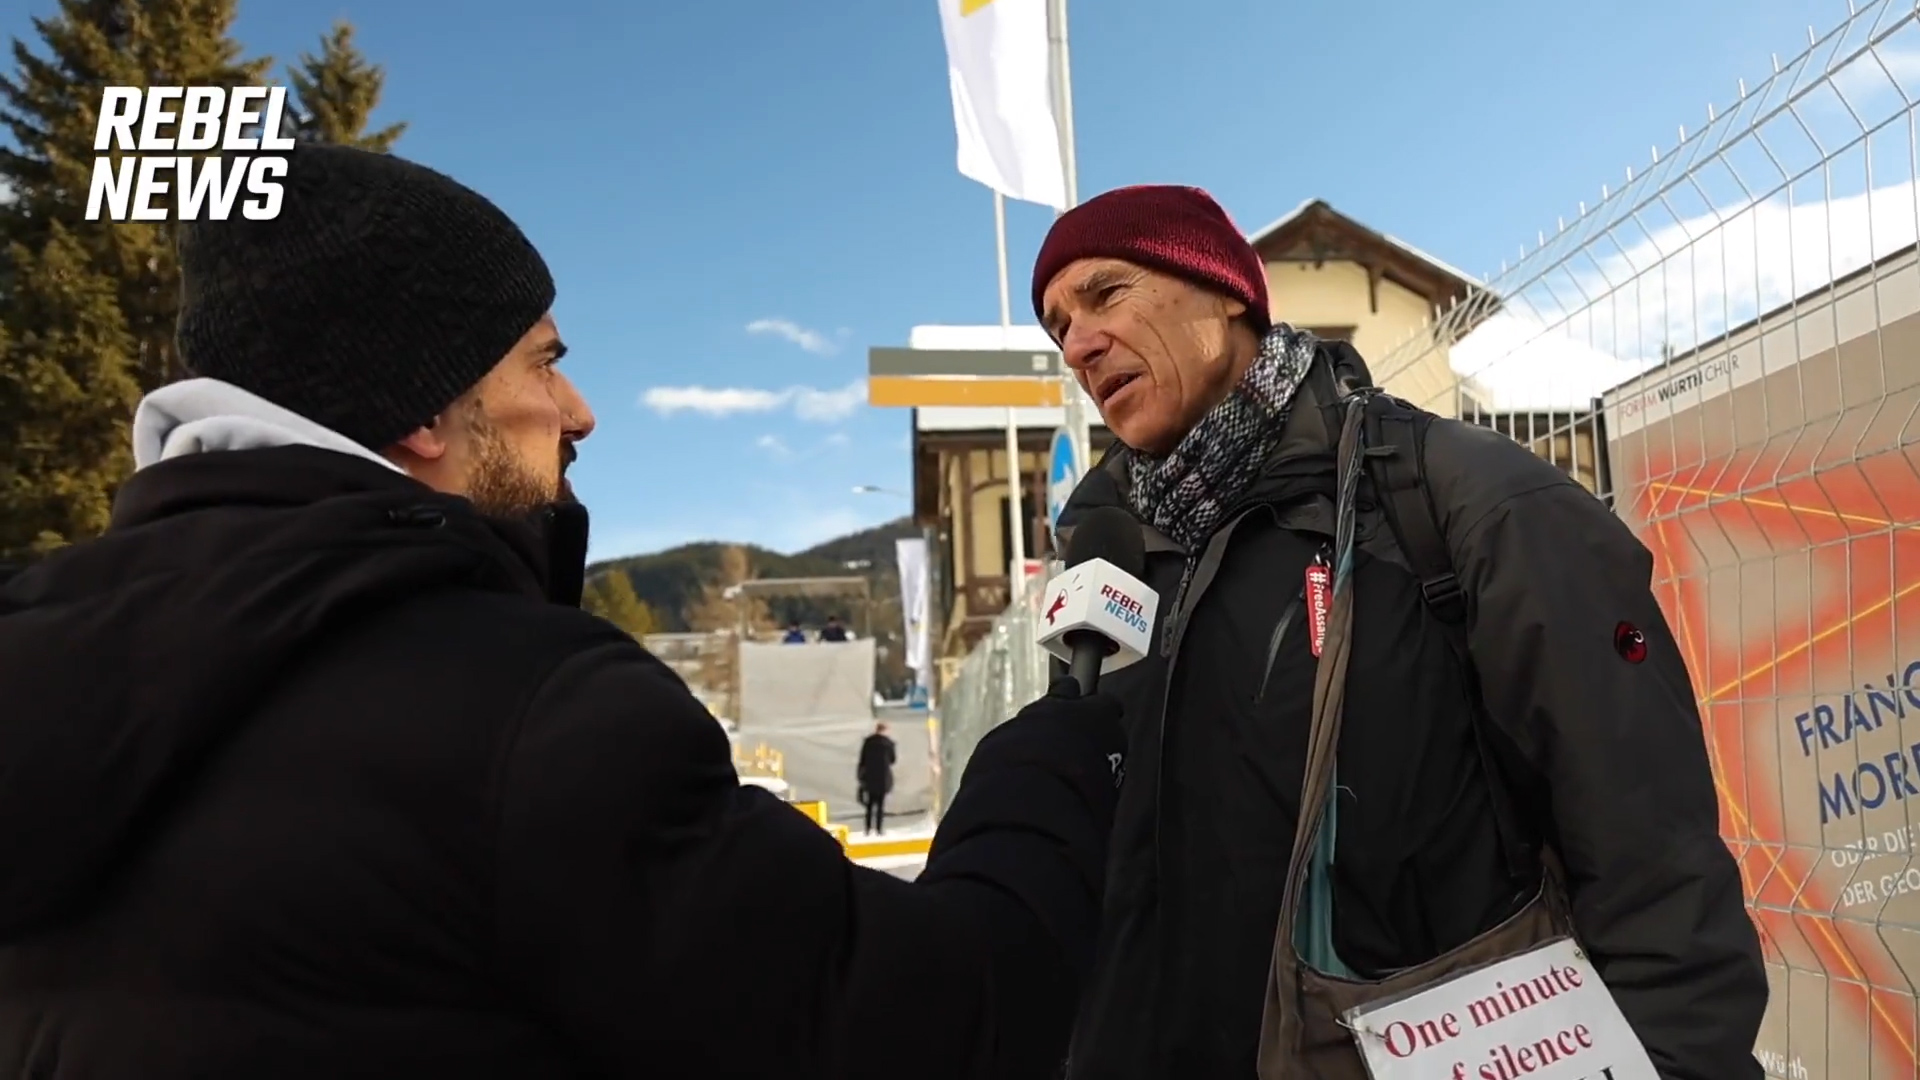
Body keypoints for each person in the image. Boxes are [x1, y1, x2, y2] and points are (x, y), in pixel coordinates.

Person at [0, 145, 1128, 1079]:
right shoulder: (520, 710)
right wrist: (1057, 744)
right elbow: (939, 1023)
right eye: (543, 363)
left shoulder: (48, 661)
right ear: (418, 413)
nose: (577, 411)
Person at [1036, 185, 1766, 1080]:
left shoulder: (1459, 499)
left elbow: (1651, 858)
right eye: (1058, 324)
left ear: (1225, 291)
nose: (1078, 344)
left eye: (1106, 294)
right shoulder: (1105, 570)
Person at [857, 721, 897, 835]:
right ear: (885, 730)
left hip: (869, 777)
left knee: (869, 804)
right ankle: (879, 829)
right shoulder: (889, 743)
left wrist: (860, 776)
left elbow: (862, 760)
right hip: (883, 778)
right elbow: (893, 760)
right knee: (880, 805)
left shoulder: (868, 742)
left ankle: (868, 828)